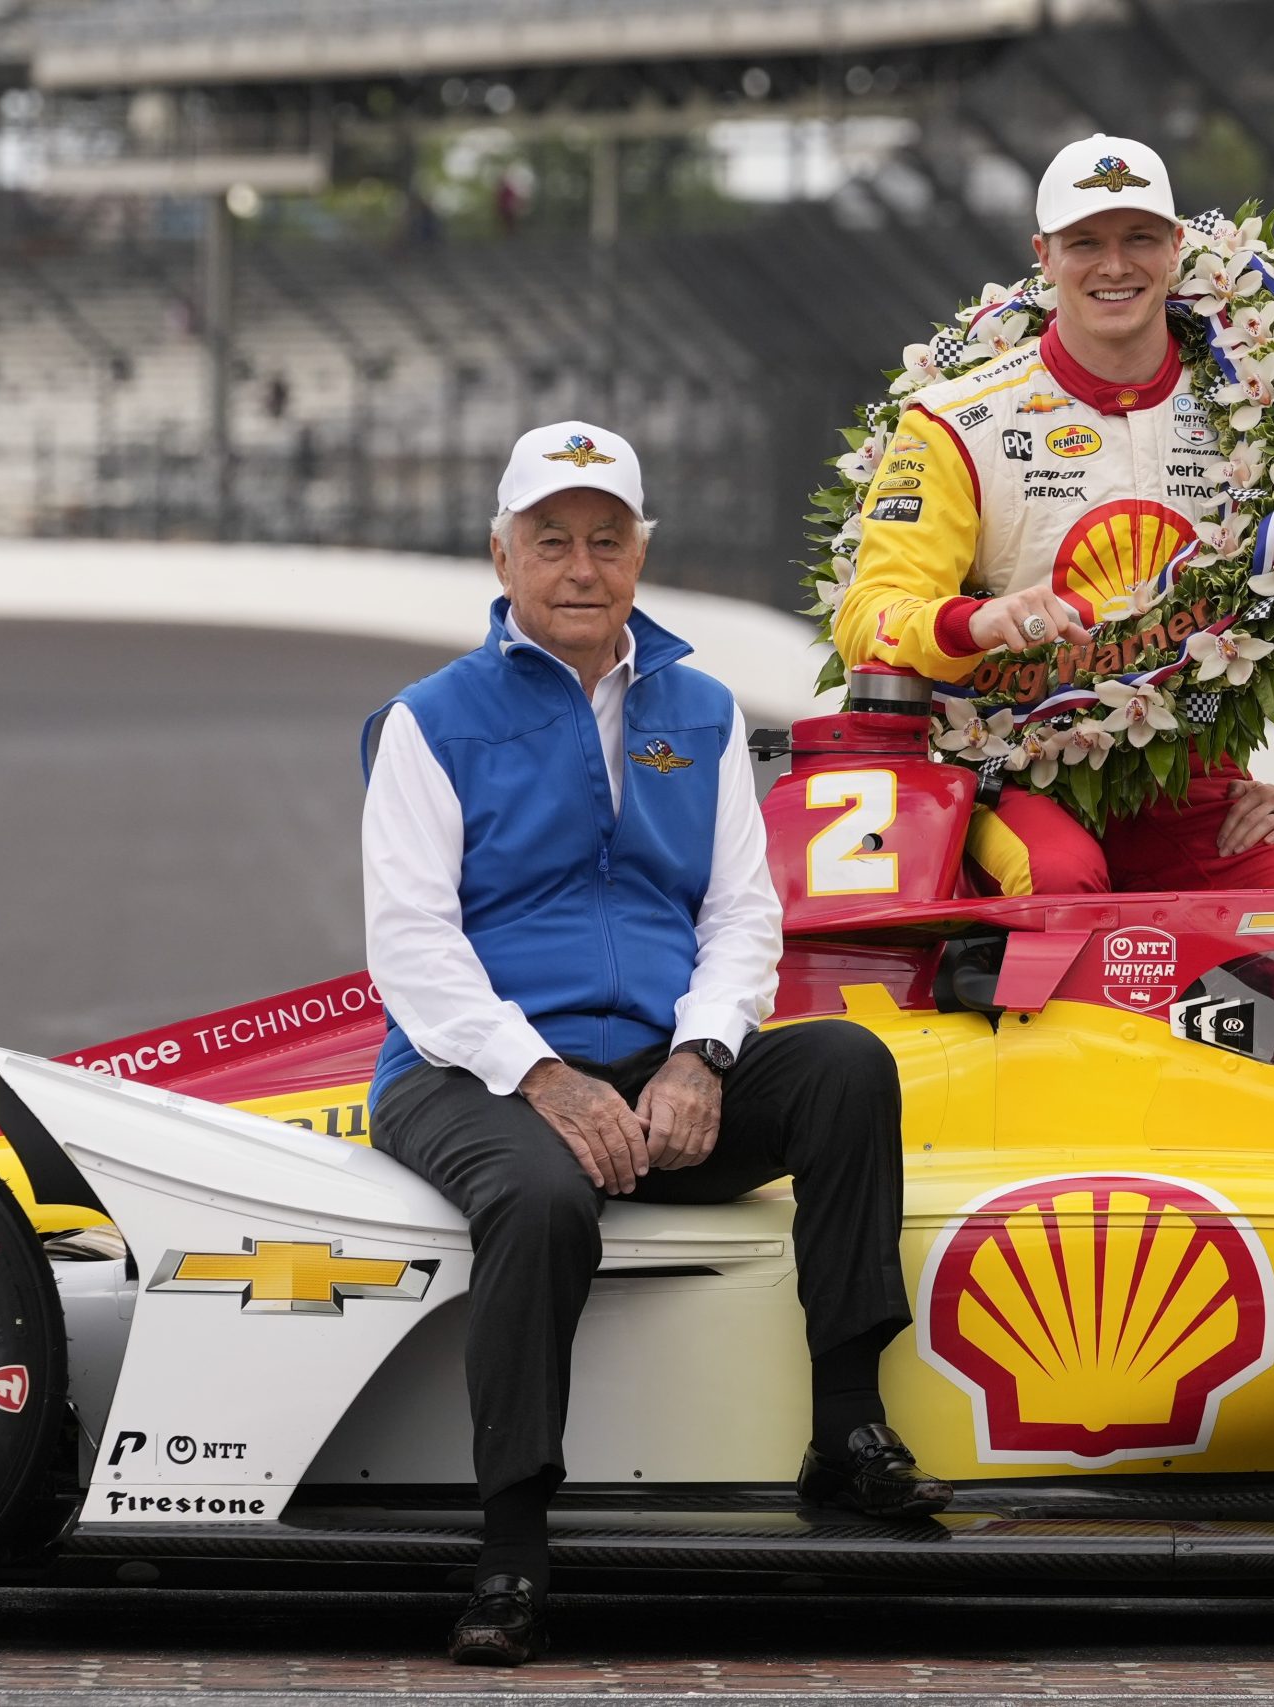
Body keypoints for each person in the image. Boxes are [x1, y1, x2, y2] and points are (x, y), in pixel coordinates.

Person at [361, 421, 949, 1666]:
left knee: (847, 1070)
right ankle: (513, 1545)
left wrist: (702, 1055)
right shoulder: (427, 721)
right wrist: (544, 1077)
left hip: (651, 1067)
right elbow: (411, 948)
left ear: (641, 554)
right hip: (464, 1070)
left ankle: (846, 1432)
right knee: (540, 1193)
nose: (580, 567)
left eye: (606, 540)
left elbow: (744, 911)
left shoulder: (702, 708)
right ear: (500, 553)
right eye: (551, 541)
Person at [833, 133, 1274, 896]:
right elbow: (870, 611)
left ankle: (1200, 1021)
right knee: (1062, 890)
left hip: (1195, 782)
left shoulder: (1272, 409)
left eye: (1138, 238)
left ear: (1175, 247)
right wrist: (975, 620)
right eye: (1085, 242)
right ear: (1043, 254)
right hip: (1015, 772)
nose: (1113, 264)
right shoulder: (951, 420)